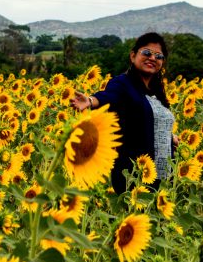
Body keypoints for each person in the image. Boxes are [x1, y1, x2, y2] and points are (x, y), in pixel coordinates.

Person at [69, 32, 178, 195]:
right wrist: (90, 101)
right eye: (147, 53)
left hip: (161, 176)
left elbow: (146, 123)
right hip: (132, 175)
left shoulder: (156, 93)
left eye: (159, 56)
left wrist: (170, 137)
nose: (153, 58)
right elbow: (109, 97)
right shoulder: (122, 84)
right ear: (133, 56)